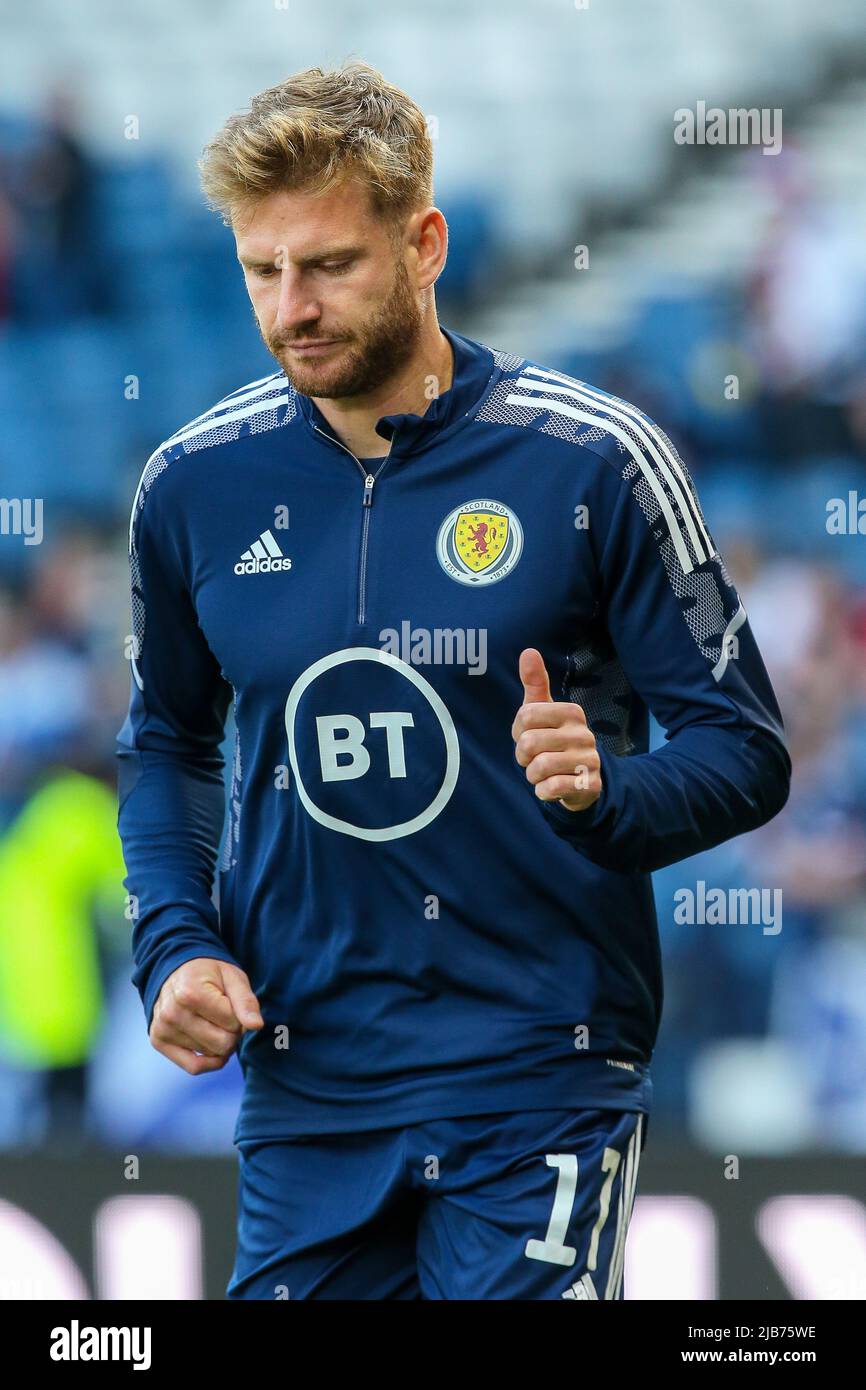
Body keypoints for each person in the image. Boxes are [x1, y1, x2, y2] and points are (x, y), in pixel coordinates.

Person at [116, 60, 790, 1300]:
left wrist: (604, 794)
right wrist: (174, 949)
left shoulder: (593, 461)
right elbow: (164, 744)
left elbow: (743, 749)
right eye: (261, 269)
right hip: (308, 1088)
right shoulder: (191, 488)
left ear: (422, 242)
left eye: (329, 265)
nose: (290, 307)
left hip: (535, 1078)